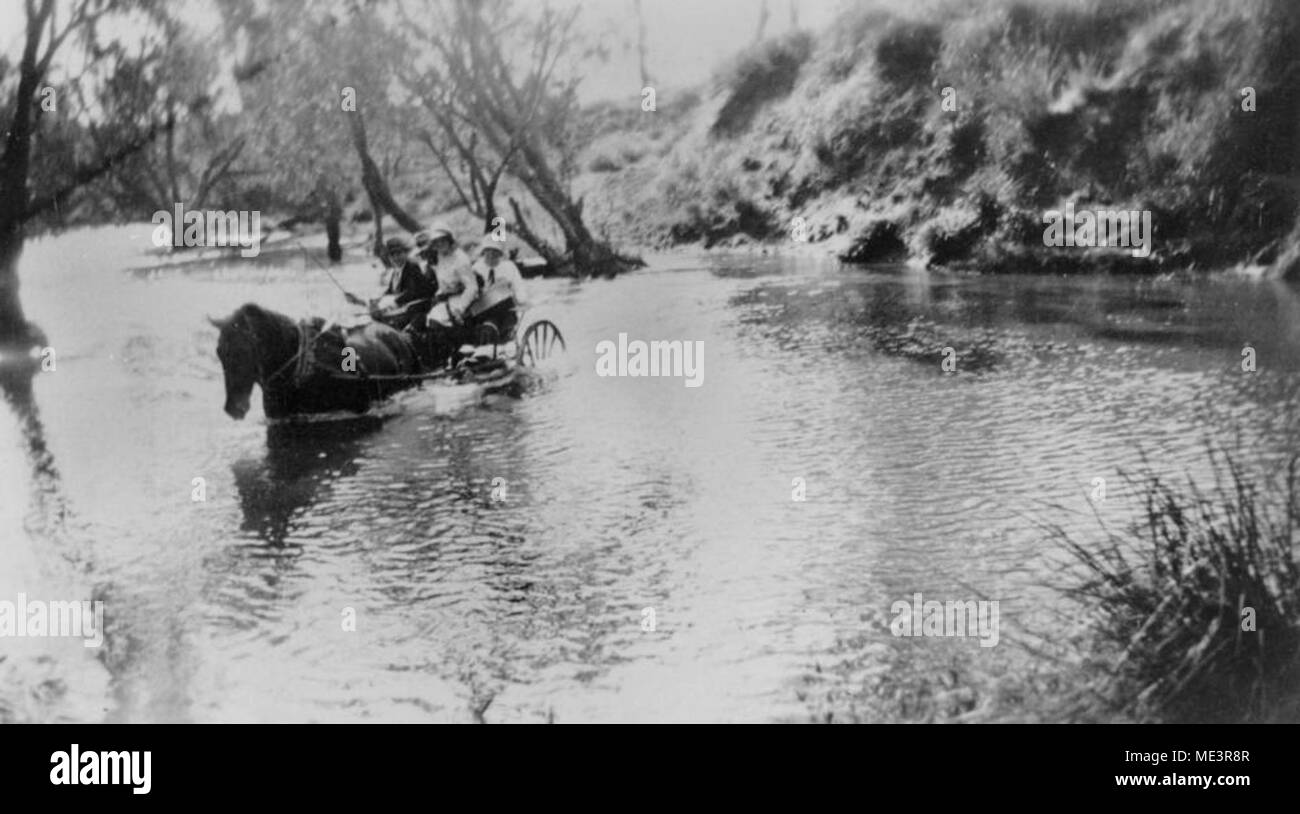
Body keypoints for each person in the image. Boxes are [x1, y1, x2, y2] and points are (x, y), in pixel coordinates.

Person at [346, 235, 436, 331]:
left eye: (399, 253)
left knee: (380, 318)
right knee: (372, 311)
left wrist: (392, 302)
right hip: (402, 306)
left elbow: (412, 291)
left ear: (405, 253)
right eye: (392, 255)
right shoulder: (395, 271)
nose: (396, 258)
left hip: (416, 307)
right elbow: (389, 292)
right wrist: (371, 301)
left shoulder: (412, 267)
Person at [422, 227, 480, 365]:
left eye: (443, 241)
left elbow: (472, 287)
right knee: (430, 319)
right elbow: (443, 285)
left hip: (464, 298)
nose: (440, 245)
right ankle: (442, 358)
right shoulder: (440, 258)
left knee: (439, 319)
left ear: (449, 240)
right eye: (436, 242)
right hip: (447, 299)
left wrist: (461, 307)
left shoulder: (460, 259)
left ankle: (455, 355)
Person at [467, 242, 527, 341]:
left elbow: (520, 288)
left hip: (505, 312)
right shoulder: (476, 268)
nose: (491, 255)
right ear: (483, 252)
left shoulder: (509, 267)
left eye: (495, 251)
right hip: (482, 311)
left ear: (500, 253)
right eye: (488, 251)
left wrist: (519, 299)